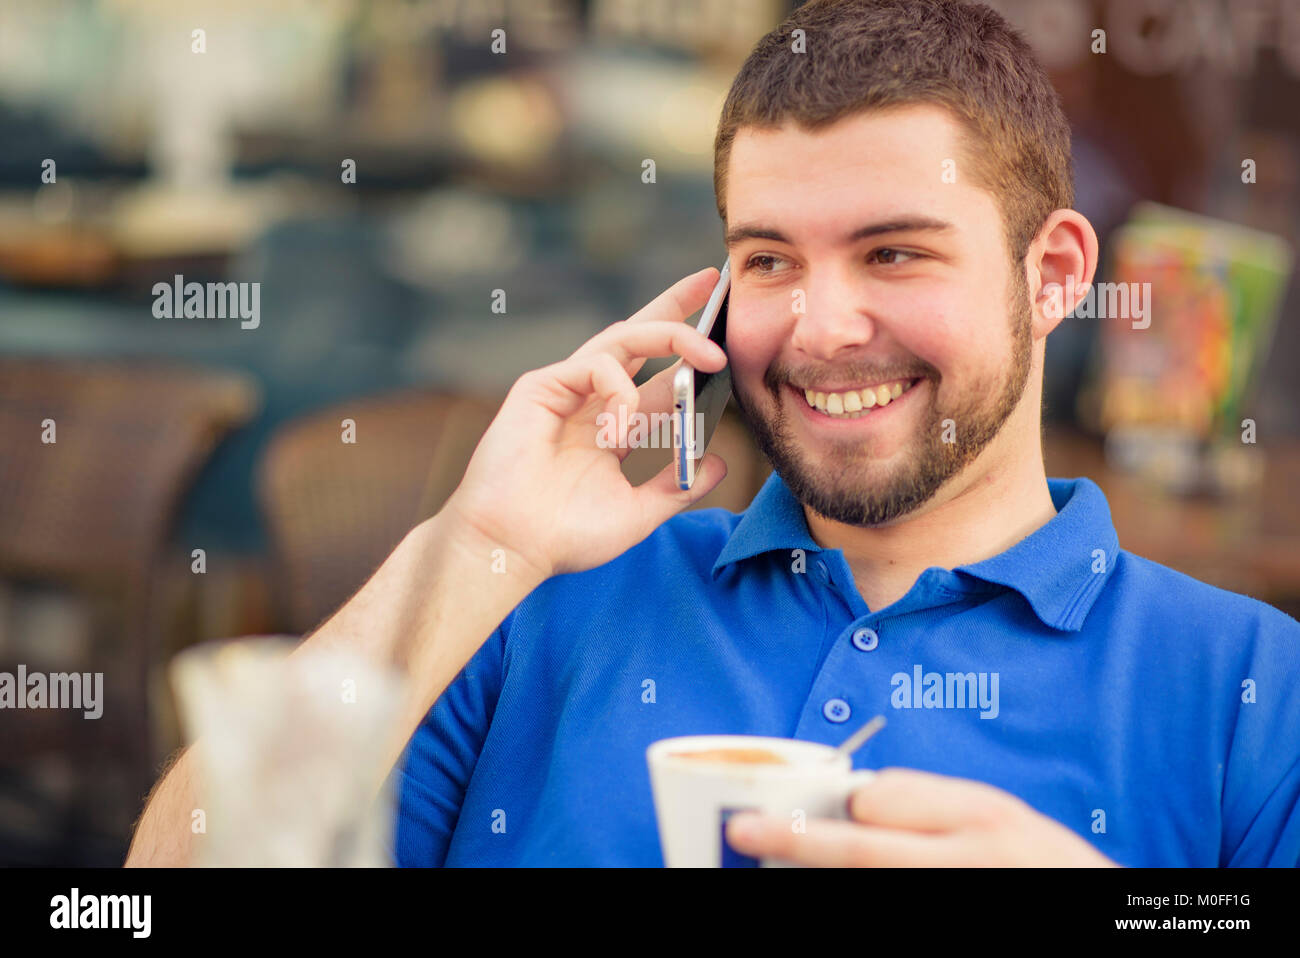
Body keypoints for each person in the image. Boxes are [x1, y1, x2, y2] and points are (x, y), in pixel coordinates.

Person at [126, 0, 1300, 868]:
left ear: (1050, 275)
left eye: (894, 251)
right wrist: (481, 538)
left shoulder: (1252, 692)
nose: (821, 329)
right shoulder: (537, 602)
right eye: (770, 260)